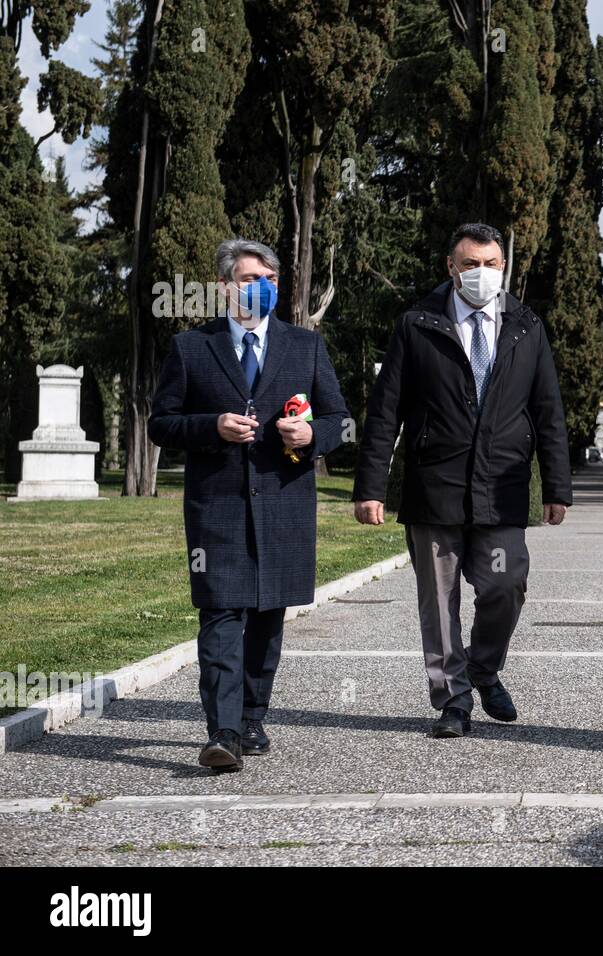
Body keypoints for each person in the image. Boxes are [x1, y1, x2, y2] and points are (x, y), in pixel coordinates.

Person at [352, 222, 572, 739]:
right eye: (470, 264)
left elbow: (548, 411)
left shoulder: (526, 326)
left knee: (505, 582)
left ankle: (483, 667)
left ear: (504, 267)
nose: (481, 273)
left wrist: (558, 486)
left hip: (502, 486)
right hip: (435, 486)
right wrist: (369, 486)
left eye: (490, 263)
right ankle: (453, 698)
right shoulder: (417, 323)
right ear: (451, 268)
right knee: (439, 598)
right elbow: (387, 411)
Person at [148, 238, 350, 772]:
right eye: (246, 278)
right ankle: (224, 730)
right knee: (220, 615)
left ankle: (254, 715)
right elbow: (161, 423)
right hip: (217, 509)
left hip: (284, 505)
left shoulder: (305, 347)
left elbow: (339, 421)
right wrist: (211, 427)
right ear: (223, 287)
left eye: (268, 279)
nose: (258, 287)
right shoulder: (191, 348)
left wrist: (311, 436)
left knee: (267, 617)